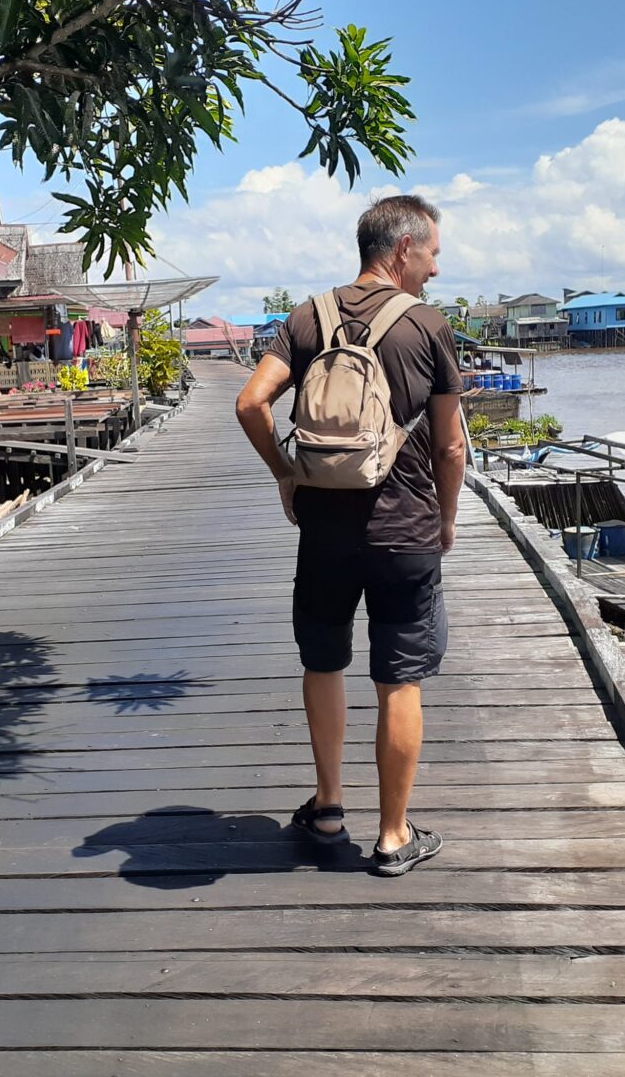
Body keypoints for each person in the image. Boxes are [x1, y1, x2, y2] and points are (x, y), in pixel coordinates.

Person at [235, 195, 465, 877]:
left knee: (323, 663)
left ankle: (329, 806)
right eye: (432, 254)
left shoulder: (307, 317)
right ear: (401, 249)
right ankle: (394, 835)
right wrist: (446, 520)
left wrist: (286, 475)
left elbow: (250, 402)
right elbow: (451, 448)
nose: (435, 269)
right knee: (399, 681)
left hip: (325, 530)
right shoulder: (426, 326)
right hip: (406, 533)